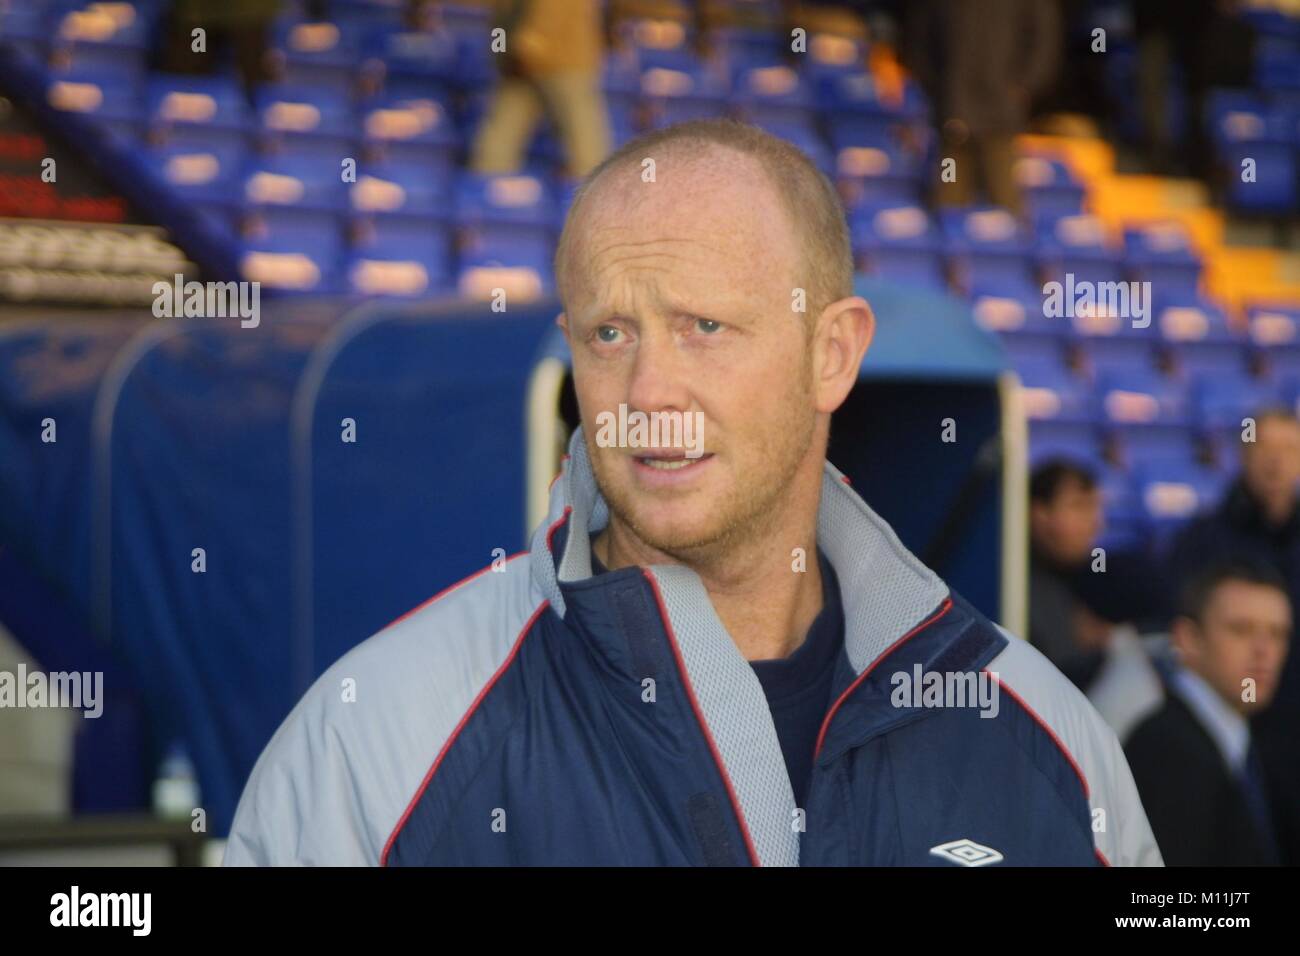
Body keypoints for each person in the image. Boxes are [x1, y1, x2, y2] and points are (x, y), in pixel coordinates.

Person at [224, 118, 1160, 866]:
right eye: (608, 335)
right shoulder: (378, 745)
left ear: (830, 354)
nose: (647, 394)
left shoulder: (1049, 741)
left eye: (704, 326)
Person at [1165, 408, 1300, 865]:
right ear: (1242, 455)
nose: (1276, 462)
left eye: (1289, 450)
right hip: (1214, 733)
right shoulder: (1202, 541)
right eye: (1264, 448)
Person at [1124, 560, 1290, 866]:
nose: (1263, 650)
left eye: (1278, 634)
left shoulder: (1246, 739)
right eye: (1241, 629)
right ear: (1188, 638)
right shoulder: (1167, 749)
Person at [901, 0, 1061, 215]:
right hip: (952, 123)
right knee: (948, 200)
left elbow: (1044, 42)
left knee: (1006, 204)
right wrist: (942, 93)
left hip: (1000, 122)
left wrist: (1022, 88)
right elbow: (919, 45)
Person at [468, 0, 612, 179]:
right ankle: (482, 191)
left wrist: (526, 47)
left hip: (561, 61)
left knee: (585, 146)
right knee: (499, 141)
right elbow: (503, 14)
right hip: (525, 62)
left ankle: (594, 194)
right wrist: (508, 54)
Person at [1027, 458, 1111, 689]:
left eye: (1095, 508)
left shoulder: (1088, 579)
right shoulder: (1017, 587)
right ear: (1039, 514)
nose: (1095, 523)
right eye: (1080, 506)